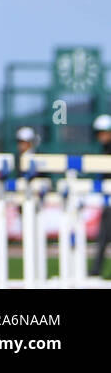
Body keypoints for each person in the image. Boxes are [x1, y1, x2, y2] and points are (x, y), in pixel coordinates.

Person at [88, 114, 111, 277]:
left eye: (104, 132)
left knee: (103, 236)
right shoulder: (103, 149)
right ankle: (95, 271)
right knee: (102, 237)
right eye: (99, 133)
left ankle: (95, 271)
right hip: (108, 200)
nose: (101, 136)